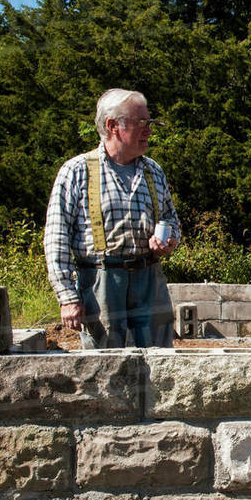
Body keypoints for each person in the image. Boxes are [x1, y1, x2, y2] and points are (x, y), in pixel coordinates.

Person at [44, 88, 181, 348]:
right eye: (141, 123)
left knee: (161, 365)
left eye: (150, 123)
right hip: (101, 283)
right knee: (107, 368)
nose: (149, 130)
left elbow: (171, 220)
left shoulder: (153, 171)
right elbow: (56, 237)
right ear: (112, 126)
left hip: (149, 280)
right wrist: (67, 296)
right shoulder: (76, 171)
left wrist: (169, 239)